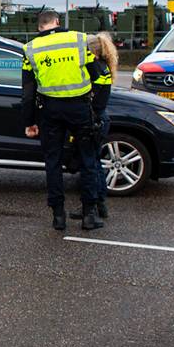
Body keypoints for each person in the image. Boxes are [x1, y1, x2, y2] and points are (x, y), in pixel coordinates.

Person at [21, 10, 106, 231]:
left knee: (53, 162)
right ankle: (89, 214)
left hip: (49, 111)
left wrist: (30, 122)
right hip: (80, 109)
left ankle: (58, 216)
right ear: (58, 22)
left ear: (40, 27)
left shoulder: (30, 49)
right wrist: (96, 109)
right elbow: (99, 74)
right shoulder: (79, 40)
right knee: (88, 159)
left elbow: (28, 92)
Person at [70, 32, 117, 221]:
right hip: (101, 119)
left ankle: (89, 206)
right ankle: (100, 204)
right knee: (95, 163)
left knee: (88, 165)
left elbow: (88, 97)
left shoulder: (93, 68)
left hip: (91, 121)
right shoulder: (104, 67)